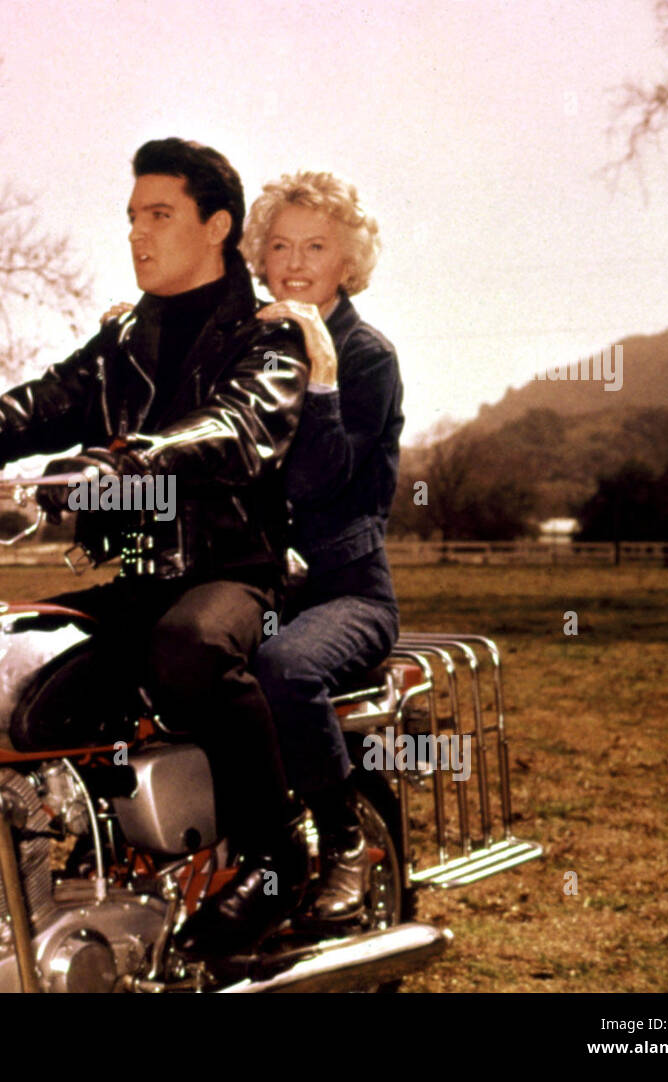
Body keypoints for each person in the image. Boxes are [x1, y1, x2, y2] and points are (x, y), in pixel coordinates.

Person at [0, 138, 314, 955]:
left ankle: (280, 853)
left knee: (189, 647)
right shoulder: (126, 341)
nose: (138, 234)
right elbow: (27, 411)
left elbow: (242, 429)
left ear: (217, 227)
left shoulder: (266, 333)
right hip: (137, 575)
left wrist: (130, 458)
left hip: (234, 573)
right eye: (132, 217)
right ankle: (38, 874)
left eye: (160, 216)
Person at [242, 171, 405, 921]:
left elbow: (315, 483)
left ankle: (343, 842)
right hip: (259, 583)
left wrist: (323, 374)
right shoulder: (249, 343)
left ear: (348, 263)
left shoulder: (366, 356)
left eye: (316, 246)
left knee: (285, 665)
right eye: (280, 244)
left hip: (348, 591)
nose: (295, 261)